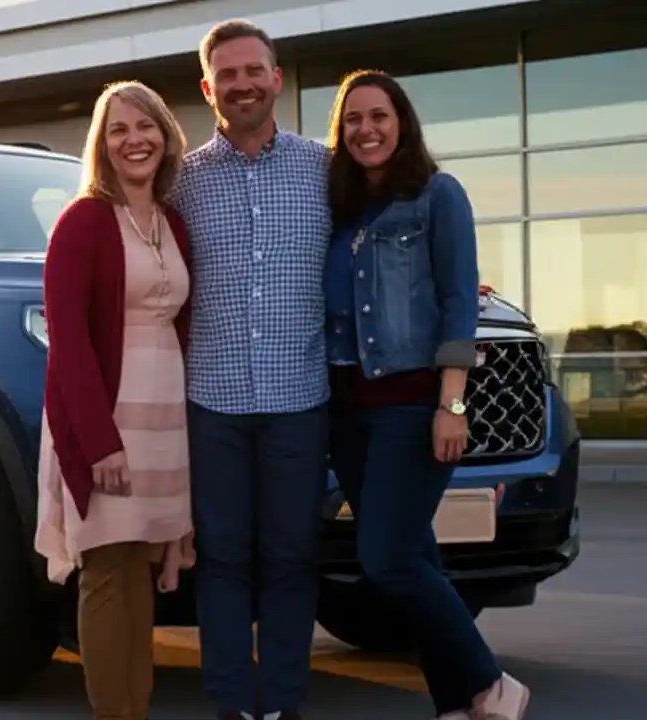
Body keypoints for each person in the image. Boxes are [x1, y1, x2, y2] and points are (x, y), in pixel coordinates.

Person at [322, 68, 531, 720]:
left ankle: (492, 682)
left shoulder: (438, 196)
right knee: (414, 555)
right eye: (353, 119)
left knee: (385, 559)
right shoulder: (342, 210)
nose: (366, 129)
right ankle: (455, 702)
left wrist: (454, 405)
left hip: (413, 410)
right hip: (349, 412)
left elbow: (458, 305)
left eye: (378, 116)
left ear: (402, 123)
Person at [168, 19, 332, 720]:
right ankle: (233, 703)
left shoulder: (325, 170)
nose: (241, 84)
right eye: (225, 75)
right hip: (213, 404)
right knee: (226, 560)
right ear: (208, 89)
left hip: (301, 398)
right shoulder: (180, 182)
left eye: (252, 71)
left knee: (293, 558)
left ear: (276, 79)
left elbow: (379, 242)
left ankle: (285, 702)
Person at [34, 79, 196, 720]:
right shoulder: (82, 222)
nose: (135, 139)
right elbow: (67, 340)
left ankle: (137, 709)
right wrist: (100, 440)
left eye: (146, 126)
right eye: (119, 129)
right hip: (106, 419)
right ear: (102, 144)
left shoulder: (172, 220)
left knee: (138, 577)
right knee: (106, 572)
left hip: (166, 421)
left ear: (165, 134)